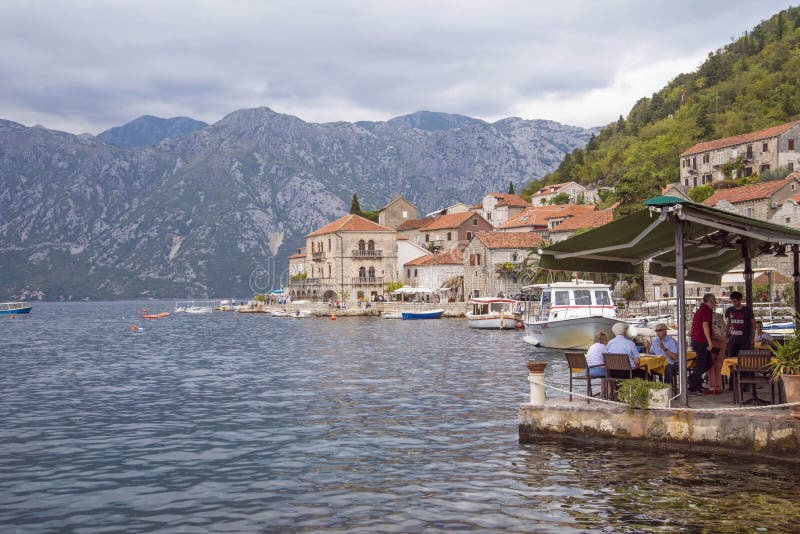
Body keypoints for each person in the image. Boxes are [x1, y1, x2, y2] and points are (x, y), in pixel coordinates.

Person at [689, 293, 716, 395]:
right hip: (701, 340)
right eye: (714, 301)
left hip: (697, 340)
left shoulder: (700, 310)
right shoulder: (706, 310)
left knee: (707, 363)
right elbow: (705, 326)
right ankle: (693, 387)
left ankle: (693, 379)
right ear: (711, 301)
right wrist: (710, 341)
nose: (715, 303)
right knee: (702, 363)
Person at [725, 290, 755, 358]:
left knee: (744, 360)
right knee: (731, 359)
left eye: (735, 301)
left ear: (740, 300)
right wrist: (725, 336)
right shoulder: (729, 310)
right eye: (732, 301)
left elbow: (753, 324)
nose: (734, 303)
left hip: (744, 340)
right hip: (732, 340)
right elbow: (728, 324)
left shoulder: (747, 310)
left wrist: (752, 339)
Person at [706, 310, 728, 395]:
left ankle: (712, 387)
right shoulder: (719, 316)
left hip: (712, 342)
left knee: (711, 365)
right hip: (722, 342)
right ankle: (718, 387)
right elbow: (725, 328)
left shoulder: (707, 317)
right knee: (719, 365)